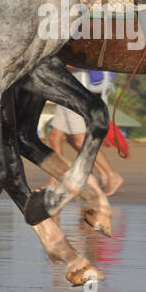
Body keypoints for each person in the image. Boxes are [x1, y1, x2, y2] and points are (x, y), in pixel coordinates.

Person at [46, 68, 124, 196]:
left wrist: (58, 65)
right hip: (68, 88)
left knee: (80, 139)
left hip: (81, 93)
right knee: (55, 137)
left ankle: (111, 174)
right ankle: (56, 178)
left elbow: (77, 63)